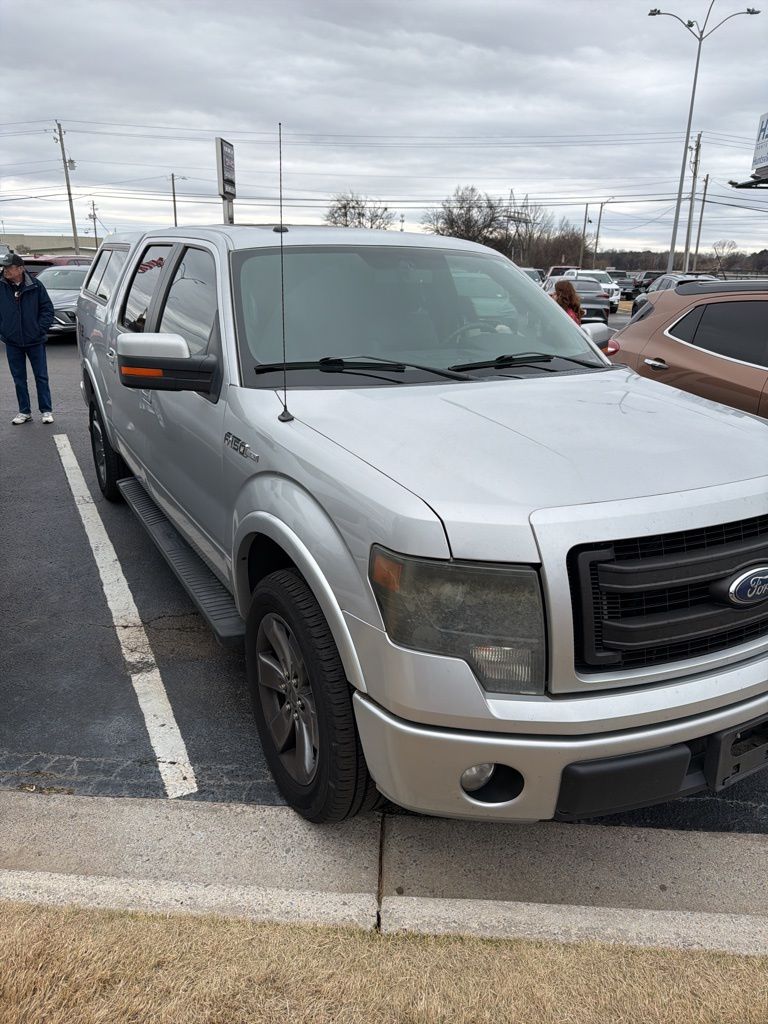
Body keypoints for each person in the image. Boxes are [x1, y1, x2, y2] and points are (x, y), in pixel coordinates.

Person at [0, 252, 55, 424]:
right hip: (12, 342)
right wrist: (4, 331)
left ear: (20, 269)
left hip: (35, 340)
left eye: (9, 267)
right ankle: (24, 411)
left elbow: (47, 309)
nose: (5, 270)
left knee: (41, 376)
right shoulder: (1, 286)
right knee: (19, 379)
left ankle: (46, 410)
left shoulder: (36, 286)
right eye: (4, 267)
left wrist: (40, 329)